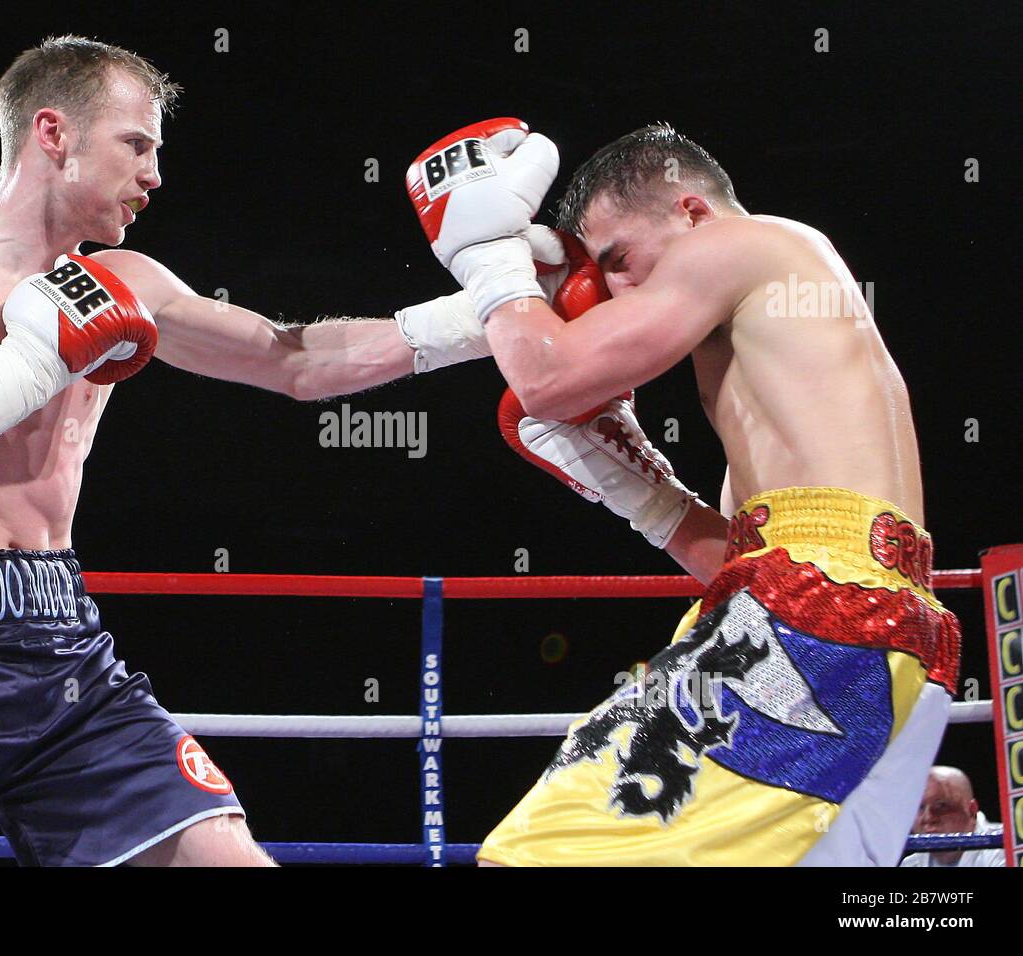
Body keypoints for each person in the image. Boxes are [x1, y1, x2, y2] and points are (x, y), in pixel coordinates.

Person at [0, 36, 486, 867]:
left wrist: (487, 312)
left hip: (58, 643)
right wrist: (37, 359)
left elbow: (294, 361)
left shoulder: (128, 282)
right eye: (135, 144)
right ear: (54, 133)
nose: (155, 175)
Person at [406, 118, 961, 865]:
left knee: (545, 849)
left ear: (690, 212)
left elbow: (547, 378)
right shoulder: (781, 382)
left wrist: (488, 257)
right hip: (879, 638)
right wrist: (646, 492)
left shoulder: (739, 242)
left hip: (820, 631)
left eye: (621, 261)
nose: (618, 292)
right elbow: (737, 567)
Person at [901, 766, 1006, 867]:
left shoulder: (1005, 849)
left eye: (941, 806)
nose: (928, 818)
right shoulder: (911, 864)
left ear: (971, 810)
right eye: (920, 807)